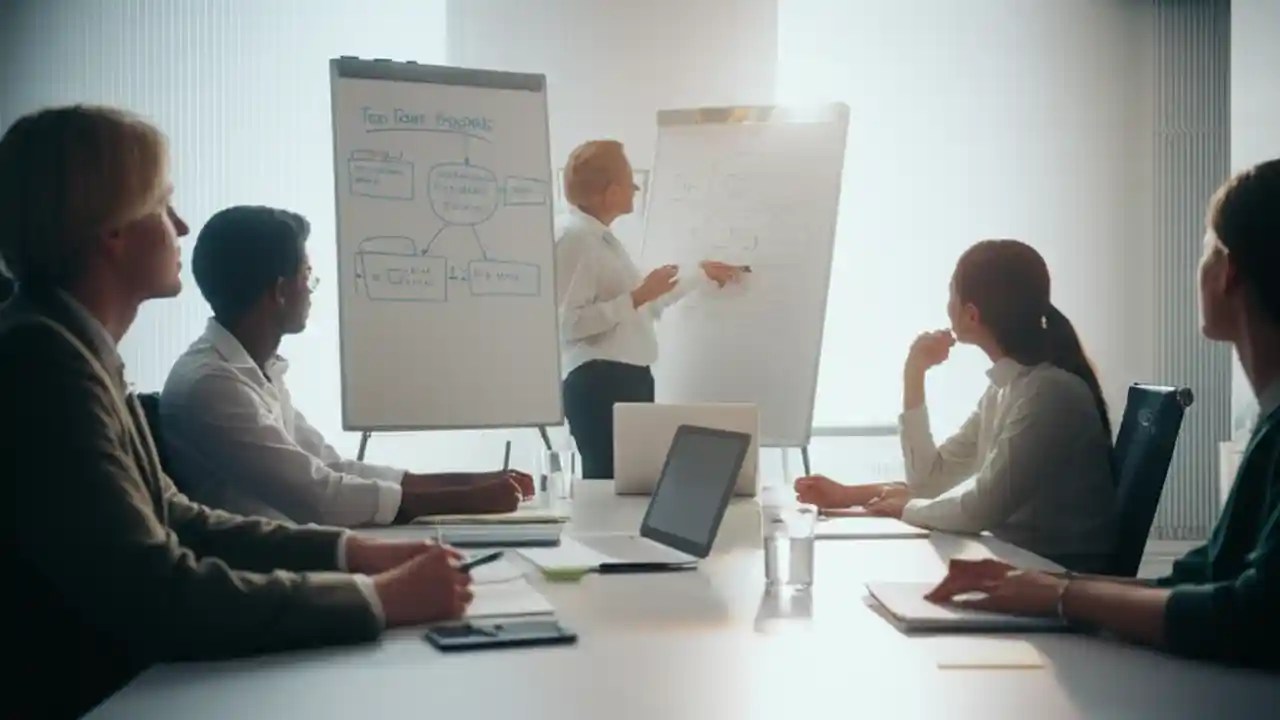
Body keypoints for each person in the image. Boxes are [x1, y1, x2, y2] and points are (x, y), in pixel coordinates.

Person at [0, 105, 473, 719]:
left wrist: (350, 554)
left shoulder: (72, 346)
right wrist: (376, 598)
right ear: (113, 232)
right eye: (162, 206)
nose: (181, 224)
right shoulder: (42, 360)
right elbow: (155, 591)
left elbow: (181, 521)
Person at [925, 159, 1280, 669]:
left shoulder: (1047, 391)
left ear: (1229, 273)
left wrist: (1060, 596)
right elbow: (1204, 576)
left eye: (1205, 248)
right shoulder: (1267, 424)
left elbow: (1250, 614)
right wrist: (1049, 586)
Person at [160, 205, 535, 527]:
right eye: (306, 276)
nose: (310, 289)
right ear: (279, 291)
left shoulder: (257, 367)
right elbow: (321, 496)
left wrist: (475, 482)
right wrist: (466, 500)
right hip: (261, 577)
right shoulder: (212, 384)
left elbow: (332, 466)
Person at [796, 239, 1118, 572]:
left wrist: (907, 508)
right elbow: (929, 481)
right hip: (1021, 568)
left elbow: (979, 508)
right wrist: (914, 373)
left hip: (1057, 583)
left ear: (971, 314)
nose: (947, 305)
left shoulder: (1048, 394)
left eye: (952, 293)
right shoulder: (1005, 389)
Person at [556, 139, 744, 478]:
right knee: (613, 491)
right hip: (601, 384)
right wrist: (637, 296)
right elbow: (567, 324)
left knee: (632, 488)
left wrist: (699, 274)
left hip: (625, 382)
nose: (635, 188)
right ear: (610, 191)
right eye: (629, 181)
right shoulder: (576, 240)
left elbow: (644, 309)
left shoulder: (600, 241)